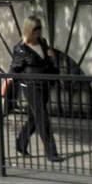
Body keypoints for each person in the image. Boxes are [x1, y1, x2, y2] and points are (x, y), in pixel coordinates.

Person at [9, 15, 62, 161]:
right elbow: (14, 69)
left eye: (40, 28)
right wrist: (6, 84)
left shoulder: (42, 43)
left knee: (35, 116)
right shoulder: (21, 49)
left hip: (44, 84)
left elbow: (48, 63)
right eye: (35, 29)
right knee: (42, 117)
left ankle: (21, 142)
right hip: (30, 86)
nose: (38, 32)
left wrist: (51, 58)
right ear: (28, 30)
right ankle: (52, 152)